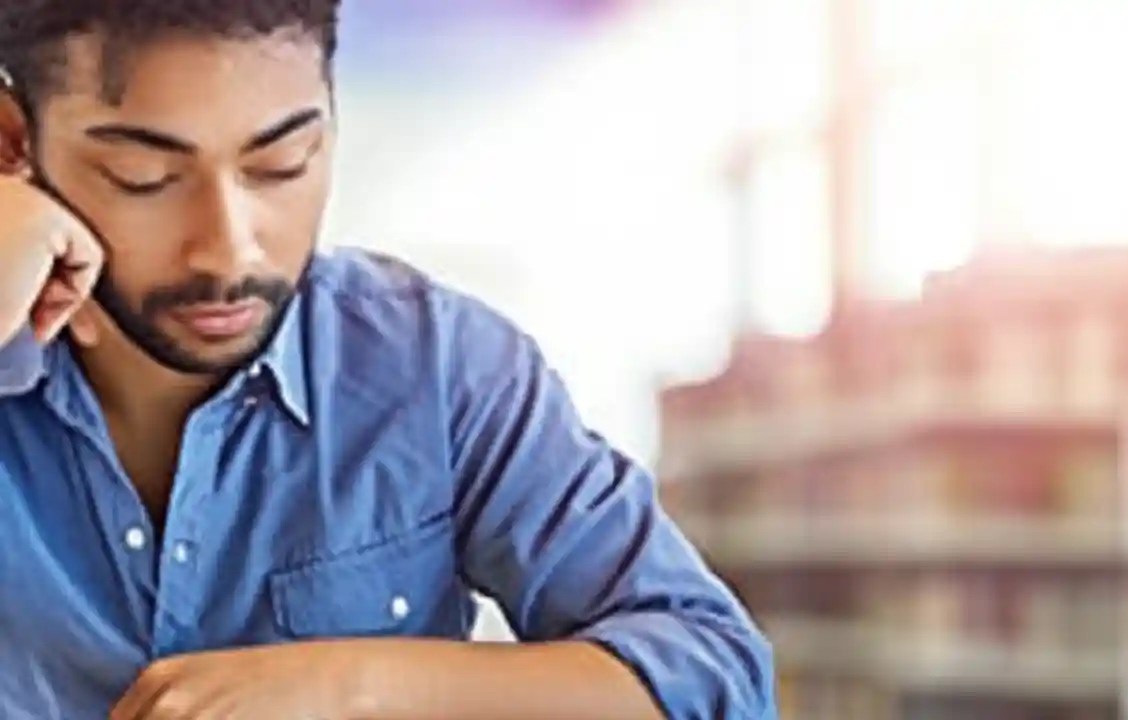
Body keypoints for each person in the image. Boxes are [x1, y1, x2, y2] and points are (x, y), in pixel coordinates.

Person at [0, 2, 775, 718]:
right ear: (14, 144)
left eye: (284, 163)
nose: (230, 247)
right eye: (147, 179)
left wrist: (347, 686)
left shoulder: (440, 368)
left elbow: (718, 677)